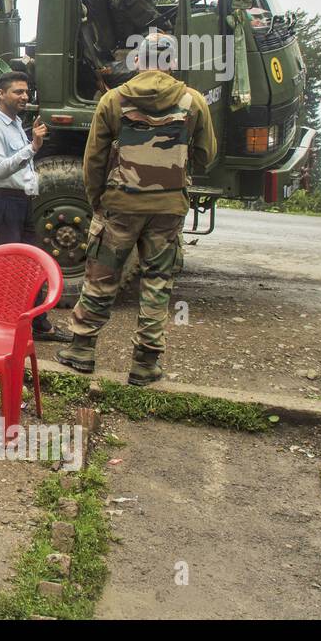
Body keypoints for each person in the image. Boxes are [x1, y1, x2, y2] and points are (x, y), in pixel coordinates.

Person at [57, 32, 216, 385]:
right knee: (157, 283)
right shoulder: (193, 102)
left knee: (101, 277)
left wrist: (98, 200)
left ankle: (82, 350)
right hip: (168, 207)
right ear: (173, 63)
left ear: (138, 61)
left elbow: (93, 159)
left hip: (120, 204)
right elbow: (207, 156)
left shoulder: (113, 100)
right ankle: (145, 364)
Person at [0, 70, 72, 342]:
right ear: (1, 94)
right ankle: (4, 330)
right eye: (18, 91)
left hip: (21, 201)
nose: (24, 96)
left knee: (29, 266)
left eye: (26, 91)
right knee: (7, 268)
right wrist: (33, 147)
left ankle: (38, 325)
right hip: (4, 201)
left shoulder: (16, 123)